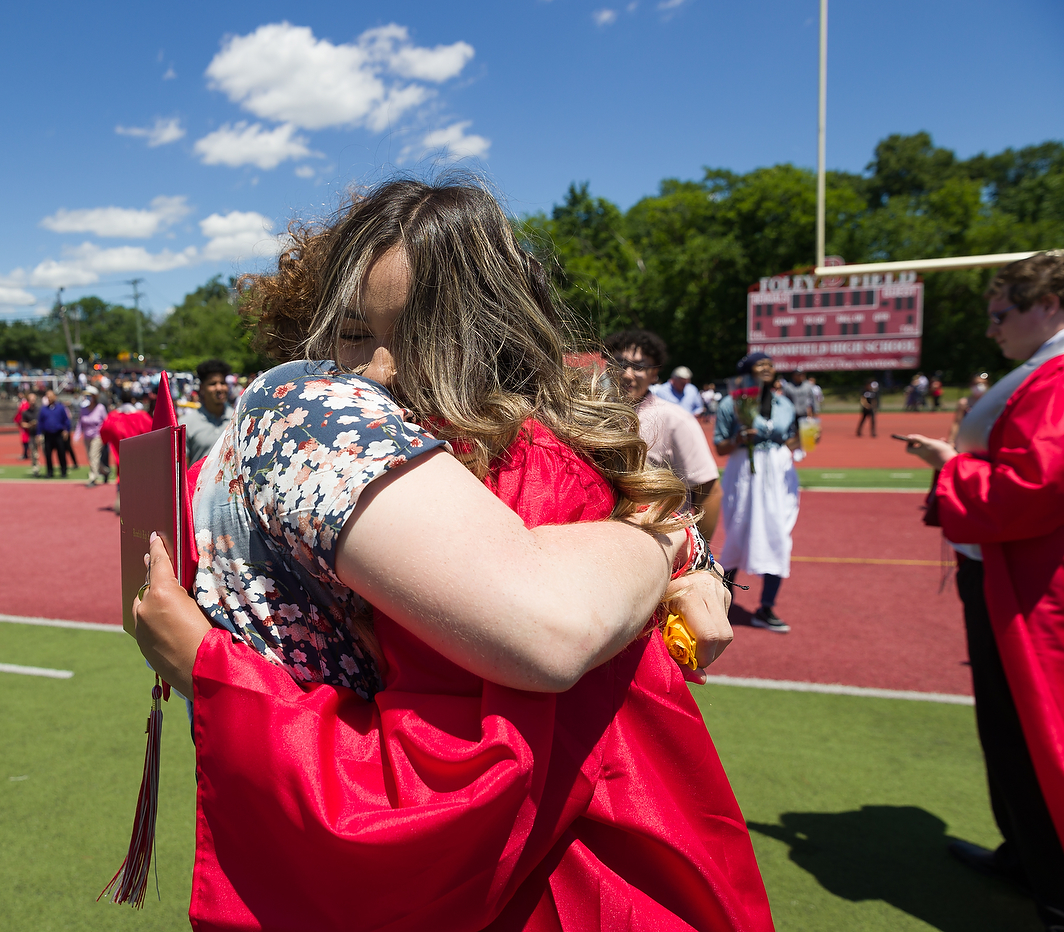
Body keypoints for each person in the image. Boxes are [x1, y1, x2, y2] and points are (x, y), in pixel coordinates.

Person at [127, 179, 770, 931]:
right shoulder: (461, 458)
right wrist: (679, 546)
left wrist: (211, 671)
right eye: (355, 332)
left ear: (495, 336)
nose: (380, 371)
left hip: (572, 884)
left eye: (425, 338)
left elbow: (454, 789)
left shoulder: (507, 475)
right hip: (645, 848)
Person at [901, 251, 1064, 929]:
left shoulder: (1058, 376)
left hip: (1034, 585)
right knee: (1008, 725)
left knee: (1039, 728)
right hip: (1005, 573)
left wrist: (952, 471)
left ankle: (1055, 885)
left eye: (1002, 313)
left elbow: (1040, 485)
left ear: (1049, 304)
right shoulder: (1042, 369)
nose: (992, 329)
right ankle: (1028, 854)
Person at [714, 352, 800, 633]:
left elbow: (791, 439)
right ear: (748, 370)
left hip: (777, 472)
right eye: (761, 364)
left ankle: (766, 607)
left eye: (770, 364)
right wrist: (739, 438)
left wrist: (807, 438)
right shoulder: (732, 403)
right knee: (738, 532)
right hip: (744, 472)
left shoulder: (784, 404)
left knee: (778, 536)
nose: (768, 368)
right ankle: (722, 604)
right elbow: (721, 446)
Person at [607, 328, 722, 539]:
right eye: (619, 363)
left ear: (654, 374)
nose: (626, 374)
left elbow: (709, 491)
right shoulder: (594, 416)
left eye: (639, 366)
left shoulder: (675, 420)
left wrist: (699, 554)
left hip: (658, 543)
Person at [181, 358, 232, 464]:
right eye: (213, 384)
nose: (219, 388)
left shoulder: (237, 419)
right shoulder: (186, 424)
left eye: (222, 383)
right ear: (202, 388)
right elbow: (182, 469)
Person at [947, 372, 990, 446]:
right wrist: (951, 440)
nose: (979, 386)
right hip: (967, 438)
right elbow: (957, 423)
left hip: (984, 439)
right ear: (971, 385)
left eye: (983, 383)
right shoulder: (964, 403)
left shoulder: (991, 402)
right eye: (976, 384)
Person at [77, 388, 109, 487]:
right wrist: (77, 435)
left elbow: (106, 421)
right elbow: (80, 423)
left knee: (93, 456)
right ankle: (105, 471)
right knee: (91, 458)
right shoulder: (83, 408)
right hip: (87, 436)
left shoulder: (100, 408)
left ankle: (93, 477)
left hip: (97, 436)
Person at [36, 389, 71, 478]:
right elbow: (40, 422)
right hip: (48, 434)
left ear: (55, 397)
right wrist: (39, 433)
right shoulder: (44, 409)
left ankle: (63, 471)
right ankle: (49, 472)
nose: (49, 398)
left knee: (61, 453)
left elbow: (66, 420)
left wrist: (66, 430)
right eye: (47, 396)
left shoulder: (60, 408)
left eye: (50, 396)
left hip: (58, 434)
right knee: (48, 454)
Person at [779, 368, 820, 436]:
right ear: (793, 376)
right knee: (792, 434)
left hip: (805, 414)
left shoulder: (808, 386)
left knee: (806, 434)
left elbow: (813, 400)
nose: (801, 376)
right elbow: (784, 401)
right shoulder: (788, 387)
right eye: (798, 375)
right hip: (792, 415)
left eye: (802, 374)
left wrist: (815, 411)